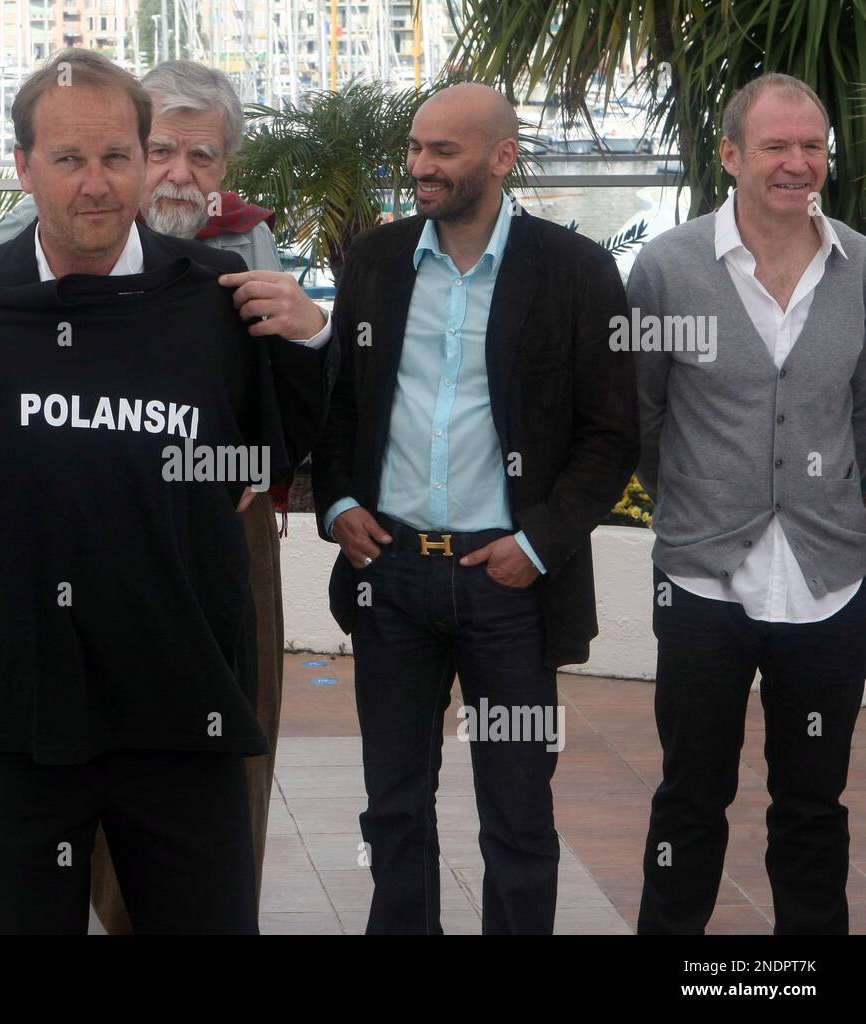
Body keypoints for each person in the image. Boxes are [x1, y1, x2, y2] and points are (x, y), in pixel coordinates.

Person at [0, 48, 333, 934]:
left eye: (116, 158)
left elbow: (285, 452)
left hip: (184, 702)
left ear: (143, 159)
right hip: (14, 705)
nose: (95, 185)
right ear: (23, 168)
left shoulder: (221, 299)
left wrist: (313, 344)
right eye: (67, 160)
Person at [0, 58, 329, 933]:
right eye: (160, 149)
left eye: (201, 157)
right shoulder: (19, 242)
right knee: (73, 755)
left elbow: (284, 403)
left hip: (219, 526)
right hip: (71, 539)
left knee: (223, 747)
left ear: (224, 168)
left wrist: (302, 353)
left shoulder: (249, 246)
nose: (178, 174)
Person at [311, 83, 638, 934]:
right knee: (394, 809)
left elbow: (611, 436)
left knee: (520, 816)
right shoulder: (376, 263)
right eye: (416, 148)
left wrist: (537, 545)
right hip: (390, 582)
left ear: (502, 158)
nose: (421, 166)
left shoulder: (575, 271)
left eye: (443, 151)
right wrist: (340, 500)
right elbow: (341, 405)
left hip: (510, 590)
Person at [632, 72, 866, 935]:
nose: (797, 163)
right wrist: (695, 504)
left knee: (814, 805)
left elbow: (864, 416)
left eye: (812, 146)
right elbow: (642, 414)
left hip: (829, 584)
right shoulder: (667, 268)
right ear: (730, 156)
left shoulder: (861, 268)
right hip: (702, 585)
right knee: (690, 799)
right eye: (776, 146)